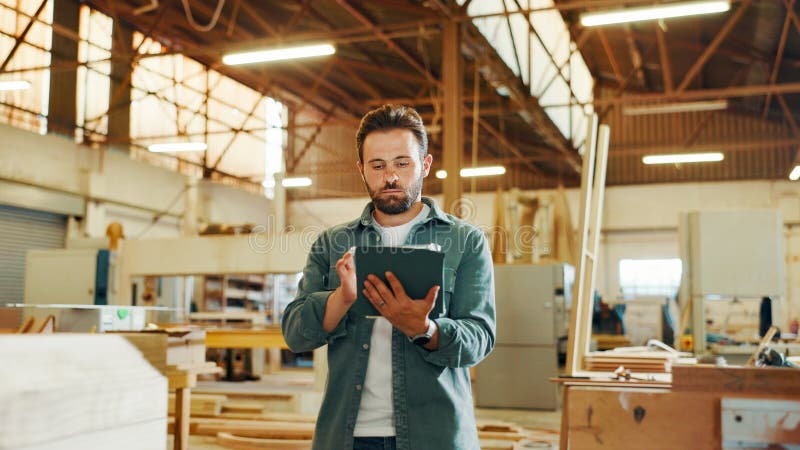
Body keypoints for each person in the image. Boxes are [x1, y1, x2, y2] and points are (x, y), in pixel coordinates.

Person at [281, 104, 496, 450]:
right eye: (377, 166)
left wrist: (425, 330)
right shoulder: (332, 244)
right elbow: (295, 335)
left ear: (424, 164)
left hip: (435, 437)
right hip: (349, 437)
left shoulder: (465, 241)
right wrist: (340, 300)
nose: (390, 177)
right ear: (362, 170)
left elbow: (481, 337)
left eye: (402, 163)